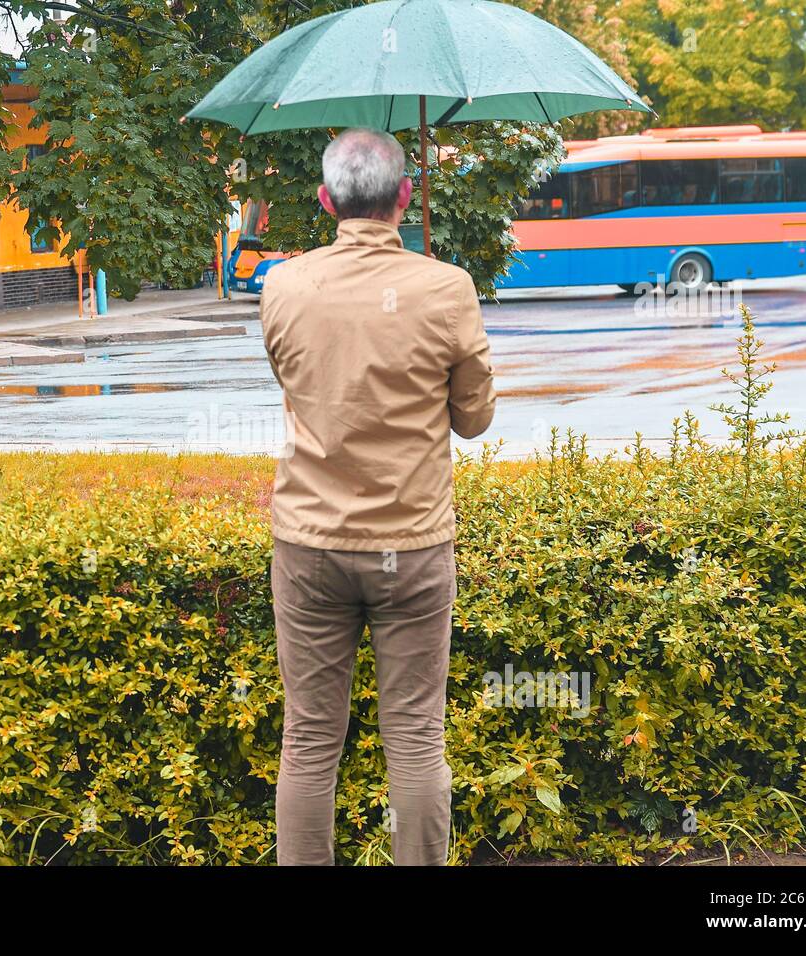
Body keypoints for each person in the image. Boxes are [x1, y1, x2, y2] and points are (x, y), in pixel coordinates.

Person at [260, 127, 497, 866]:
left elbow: (301, 387)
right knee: (417, 737)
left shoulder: (282, 285)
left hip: (309, 545)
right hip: (414, 546)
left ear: (327, 199)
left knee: (308, 737)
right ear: (406, 197)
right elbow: (474, 418)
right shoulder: (446, 288)